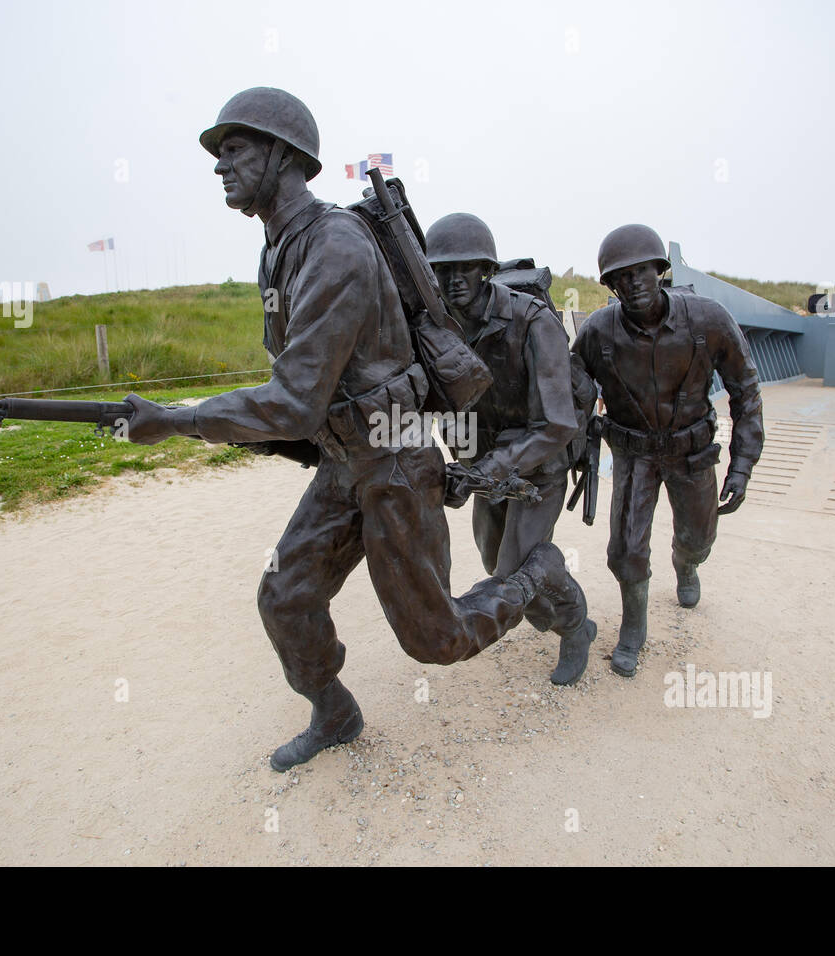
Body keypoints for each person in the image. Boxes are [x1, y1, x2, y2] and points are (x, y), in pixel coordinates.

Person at [119, 88, 578, 772]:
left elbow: (294, 400)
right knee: (286, 595)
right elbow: (306, 388)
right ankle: (334, 712)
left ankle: (535, 575)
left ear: (284, 155)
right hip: (346, 460)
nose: (220, 164)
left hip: (395, 463)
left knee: (437, 641)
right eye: (220, 153)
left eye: (235, 148)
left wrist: (179, 421)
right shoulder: (278, 251)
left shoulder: (335, 245)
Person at [571, 225, 763, 677]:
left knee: (699, 539)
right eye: (620, 278)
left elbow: (746, 391)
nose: (632, 284)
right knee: (625, 551)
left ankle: (687, 565)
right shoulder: (598, 332)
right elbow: (570, 390)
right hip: (634, 454)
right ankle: (633, 628)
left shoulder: (708, 320)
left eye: (641, 272)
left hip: (691, 453)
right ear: (610, 286)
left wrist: (742, 466)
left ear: (660, 271)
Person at [425, 212, 595, 686]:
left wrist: (489, 469)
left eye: (465, 268)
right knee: (493, 560)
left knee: (512, 572)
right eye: (442, 270)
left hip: (537, 466)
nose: (454, 279)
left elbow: (558, 423)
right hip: (484, 466)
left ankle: (576, 626)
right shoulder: (438, 326)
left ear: (485, 269)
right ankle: (549, 601)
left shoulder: (531, 321)